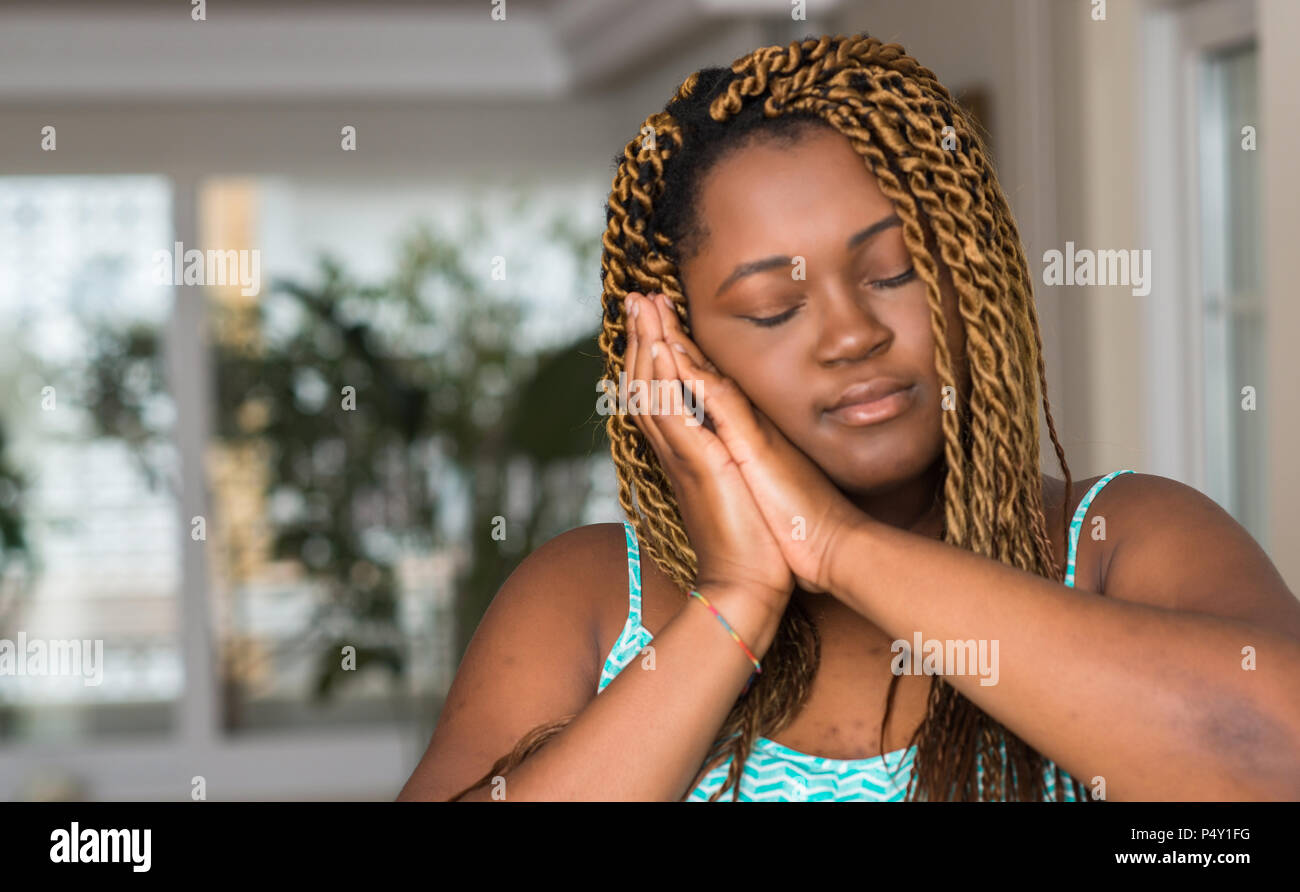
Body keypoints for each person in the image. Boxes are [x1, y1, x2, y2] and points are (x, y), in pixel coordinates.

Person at [397, 32, 1300, 802]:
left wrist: (837, 546)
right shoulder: (593, 599)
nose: (852, 334)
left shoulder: (1115, 543)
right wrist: (736, 603)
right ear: (678, 347)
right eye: (773, 310)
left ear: (970, 280)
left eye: (894, 272)